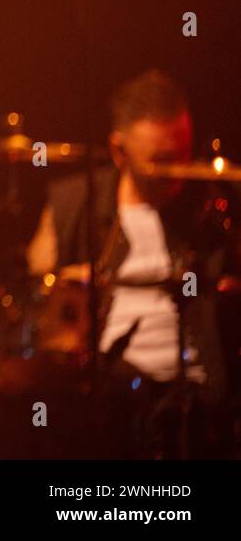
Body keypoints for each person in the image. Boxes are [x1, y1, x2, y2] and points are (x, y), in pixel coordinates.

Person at [26, 69, 234, 457]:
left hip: (195, 397)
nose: (177, 172)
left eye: (184, 154)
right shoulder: (73, 206)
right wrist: (57, 285)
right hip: (105, 396)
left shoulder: (212, 208)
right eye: (160, 161)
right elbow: (34, 301)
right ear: (119, 152)